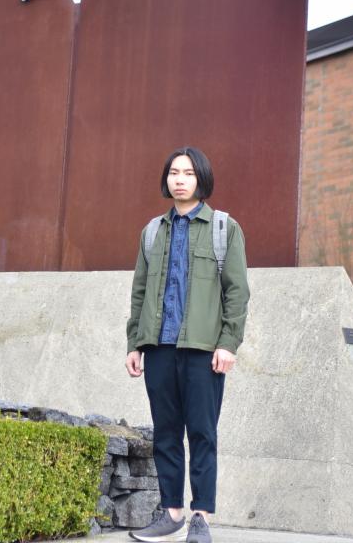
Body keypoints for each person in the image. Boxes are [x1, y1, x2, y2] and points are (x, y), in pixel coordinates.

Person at [125, 146, 250, 543]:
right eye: (174, 172)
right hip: (158, 347)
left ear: (202, 180)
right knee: (165, 433)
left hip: (202, 349)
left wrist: (228, 343)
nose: (179, 179)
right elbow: (139, 293)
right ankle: (172, 512)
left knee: (201, 432)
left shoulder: (223, 229)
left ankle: (201, 516)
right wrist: (134, 342)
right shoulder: (152, 232)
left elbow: (237, 293)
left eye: (188, 173)